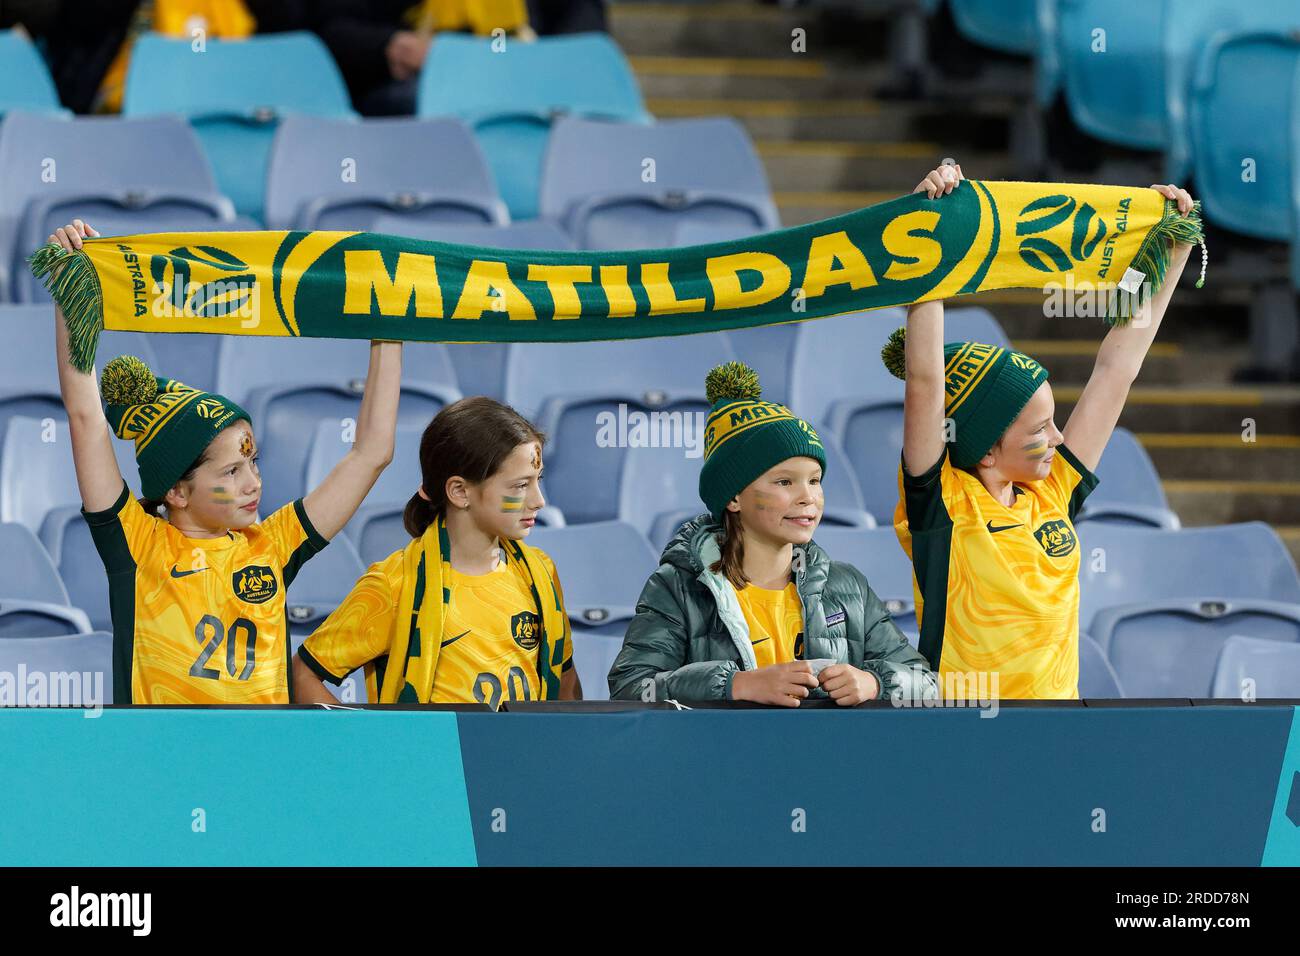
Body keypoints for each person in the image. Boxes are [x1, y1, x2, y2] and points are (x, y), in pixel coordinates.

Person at [50, 218, 402, 704]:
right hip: (164, 770)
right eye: (231, 472)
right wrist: (73, 291)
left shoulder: (272, 546)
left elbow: (371, 453)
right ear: (176, 490)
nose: (253, 483)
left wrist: (389, 327)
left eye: (253, 463)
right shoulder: (137, 547)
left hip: (262, 769)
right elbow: (86, 416)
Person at [890, 163, 1196, 699]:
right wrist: (926, 236)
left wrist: (1171, 250)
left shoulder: (1051, 493)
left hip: (1059, 736)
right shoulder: (942, 507)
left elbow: (1115, 371)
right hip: (959, 736)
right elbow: (924, 381)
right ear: (984, 450)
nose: (1059, 438)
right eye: (1040, 429)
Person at [609, 361, 937, 706]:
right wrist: (736, 685)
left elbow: (926, 683)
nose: (808, 497)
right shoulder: (677, 587)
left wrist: (873, 682)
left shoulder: (847, 585)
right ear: (734, 497)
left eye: (814, 480)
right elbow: (632, 687)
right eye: (784, 482)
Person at [293, 396, 580, 707]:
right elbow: (301, 675)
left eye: (538, 481)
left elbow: (565, 680)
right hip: (432, 757)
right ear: (459, 491)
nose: (539, 500)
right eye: (520, 486)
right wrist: (369, 743)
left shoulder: (541, 573)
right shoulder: (393, 585)